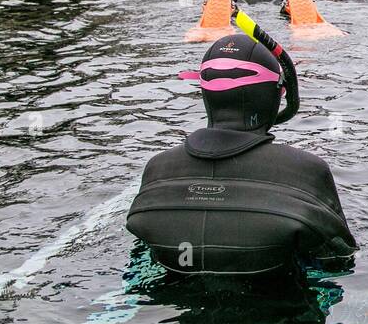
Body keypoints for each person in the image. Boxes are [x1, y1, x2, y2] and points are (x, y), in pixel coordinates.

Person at [128, 19, 356, 276]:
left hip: (165, 305)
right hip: (277, 308)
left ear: (205, 92)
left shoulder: (158, 168)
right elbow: (339, 260)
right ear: (277, 94)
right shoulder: (306, 171)